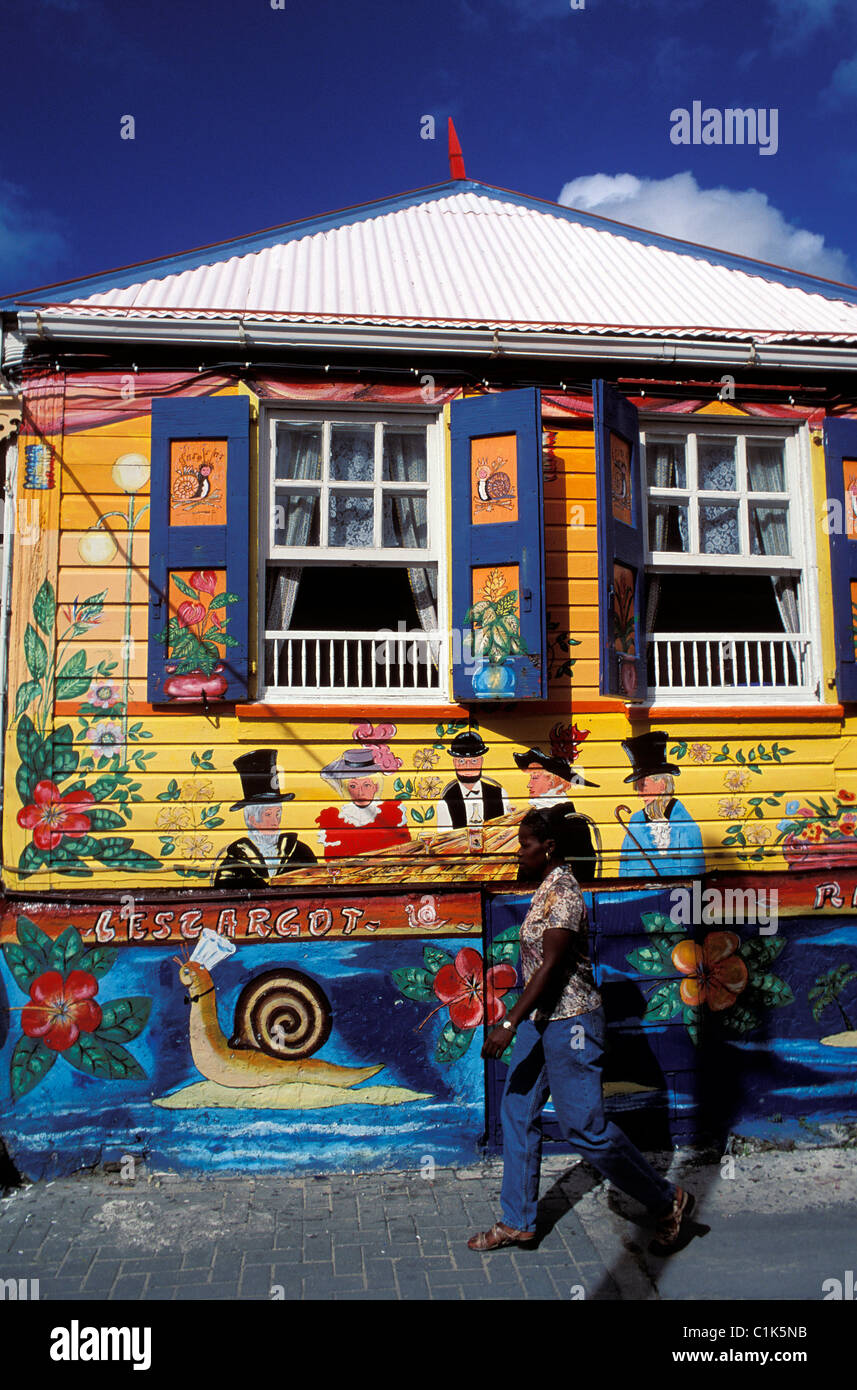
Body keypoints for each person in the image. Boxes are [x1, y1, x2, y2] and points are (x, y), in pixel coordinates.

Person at [467, 803, 695, 1257]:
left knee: (584, 1129)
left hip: (570, 1023)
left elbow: (550, 967)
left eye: (527, 844)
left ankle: (668, 1200)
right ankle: (518, 1222)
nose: (520, 851)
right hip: (540, 1020)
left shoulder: (565, 892)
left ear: (549, 847)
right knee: (516, 1109)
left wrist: (509, 1023)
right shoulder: (544, 887)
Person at [213, 750, 317, 888]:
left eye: (278, 814)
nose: (275, 822)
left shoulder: (300, 852)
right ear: (252, 819)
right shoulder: (234, 863)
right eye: (268, 815)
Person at [617, 732, 705, 877]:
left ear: (662, 785)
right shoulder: (635, 823)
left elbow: (694, 877)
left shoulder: (687, 828)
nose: (640, 794)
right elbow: (624, 872)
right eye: (637, 787)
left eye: (643, 786)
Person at [513, 745, 599, 881]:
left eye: (535, 778)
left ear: (553, 781)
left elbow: (583, 872)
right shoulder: (541, 816)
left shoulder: (572, 823)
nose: (529, 785)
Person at [316, 747, 411, 858]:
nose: (360, 793)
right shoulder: (336, 820)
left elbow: (405, 850)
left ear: (376, 787)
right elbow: (331, 861)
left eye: (366, 785)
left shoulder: (393, 813)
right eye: (353, 786)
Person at [435, 730, 511, 831]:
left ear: (481, 761)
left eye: (474, 761)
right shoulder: (445, 802)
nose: (468, 767)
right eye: (461, 761)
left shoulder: (500, 794)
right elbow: (444, 839)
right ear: (454, 763)